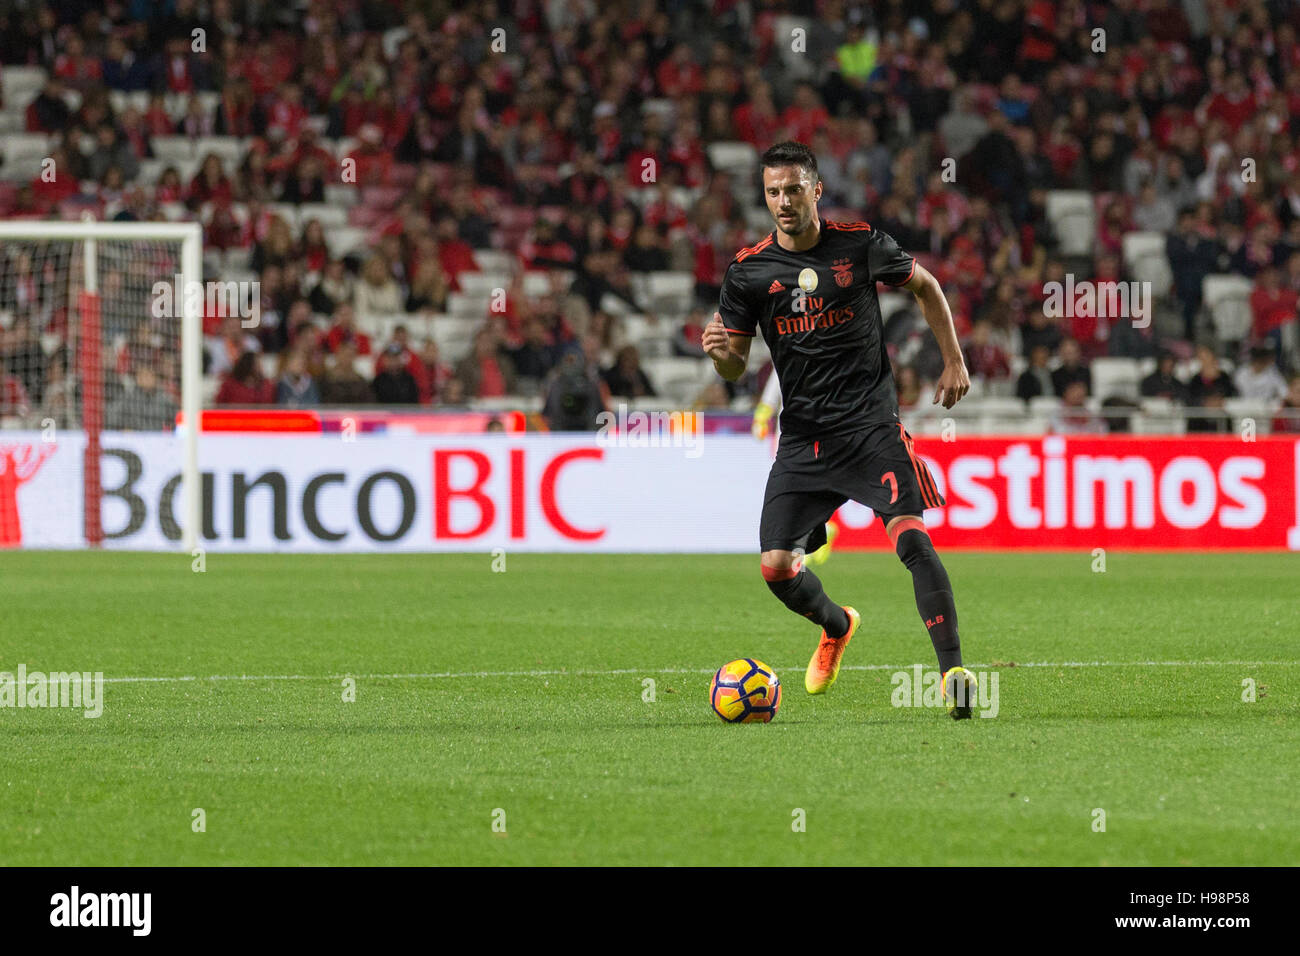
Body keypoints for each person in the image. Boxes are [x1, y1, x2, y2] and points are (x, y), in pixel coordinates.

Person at [702, 141, 977, 719]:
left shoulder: (860, 244)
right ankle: (836, 625)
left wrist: (953, 359)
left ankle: (953, 672)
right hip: (803, 439)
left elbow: (926, 285)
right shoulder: (748, 272)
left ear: (817, 190)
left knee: (911, 539)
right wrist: (720, 354)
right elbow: (734, 367)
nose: (783, 201)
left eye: (793, 189)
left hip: (871, 426)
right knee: (777, 569)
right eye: (773, 191)